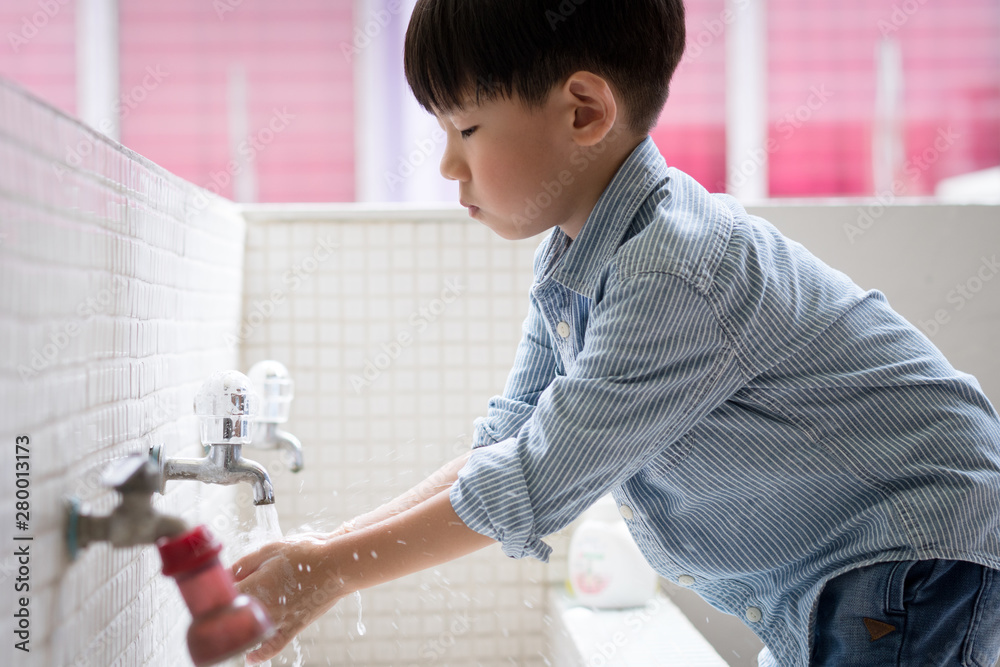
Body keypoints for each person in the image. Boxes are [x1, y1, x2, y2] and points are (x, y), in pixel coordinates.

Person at [231, 1, 1000, 665]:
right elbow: (511, 439)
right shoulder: (575, 256)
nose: (446, 165)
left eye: (466, 127)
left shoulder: (672, 267)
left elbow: (534, 479)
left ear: (583, 113)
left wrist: (329, 569)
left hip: (910, 544)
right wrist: (322, 550)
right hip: (851, 563)